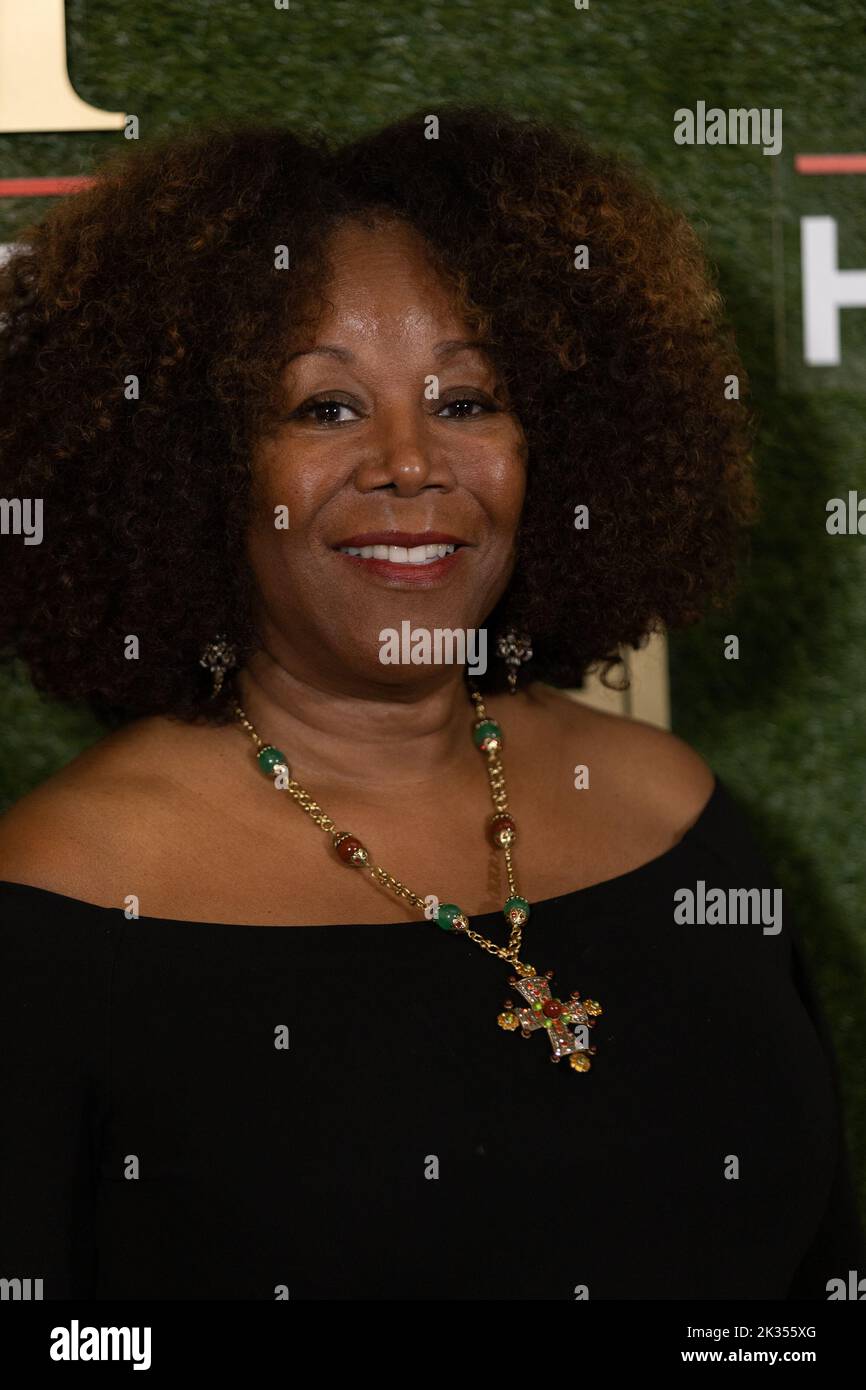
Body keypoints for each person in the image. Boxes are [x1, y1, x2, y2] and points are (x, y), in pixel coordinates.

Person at [0, 107, 861, 1299]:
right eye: (323, 407)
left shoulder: (674, 814)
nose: (410, 463)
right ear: (191, 470)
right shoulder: (64, 897)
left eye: (465, 401)